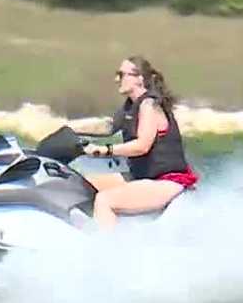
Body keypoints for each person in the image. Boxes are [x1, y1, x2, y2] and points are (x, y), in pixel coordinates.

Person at [81, 56, 199, 229]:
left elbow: (142, 146)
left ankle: (106, 244)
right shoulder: (130, 106)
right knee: (82, 184)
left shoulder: (149, 105)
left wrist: (104, 150)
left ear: (139, 79)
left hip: (167, 181)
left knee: (105, 200)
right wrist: (69, 129)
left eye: (121, 74)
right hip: (143, 178)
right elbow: (108, 127)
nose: (116, 79)